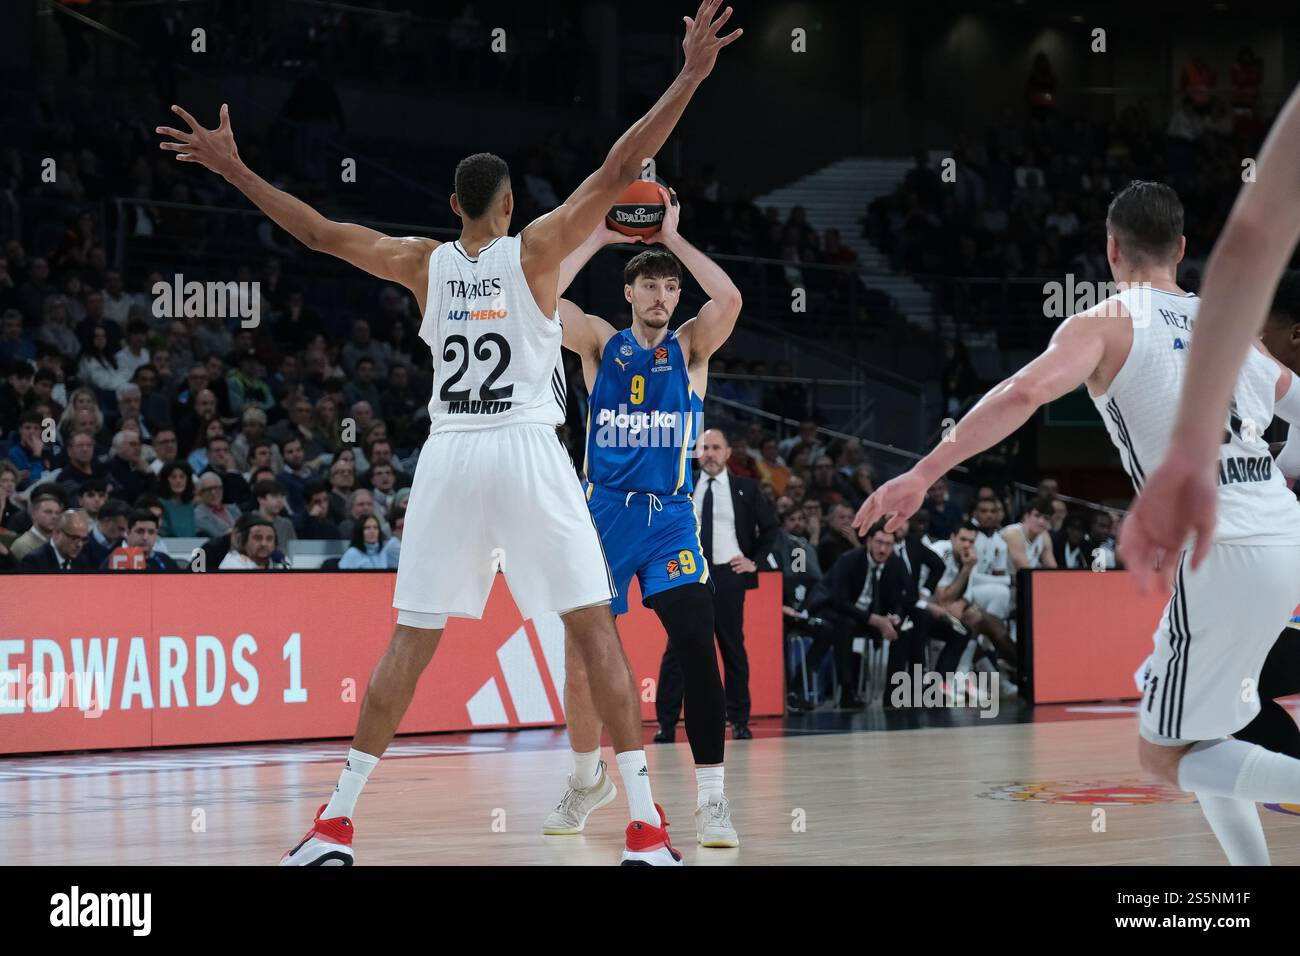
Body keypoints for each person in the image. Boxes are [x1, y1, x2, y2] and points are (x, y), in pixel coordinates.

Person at [160, 0, 740, 866]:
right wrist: (688, 75)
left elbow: (316, 232)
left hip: (449, 456)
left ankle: (335, 823)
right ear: (508, 205)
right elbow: (621, 164)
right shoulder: (538, 250)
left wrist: (236, 170)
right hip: (527, 453)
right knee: (593, 632)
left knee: (412, 639)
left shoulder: (419, 262)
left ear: (456, 206)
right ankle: (649, 831)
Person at [857, 176, 1300, 868]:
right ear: (1182, 248)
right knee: (1210, 728)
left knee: (1164, 753)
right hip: (1281, 535)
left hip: (1220, 550)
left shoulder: (1105, 323)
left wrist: (923, 472)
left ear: (1111, 250)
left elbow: (1024, 391)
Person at [540, 191, 743, 847]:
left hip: (671, 522)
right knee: (580, 663)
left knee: (696, 646)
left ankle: (711, 802)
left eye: (669, 286)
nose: (662, 295)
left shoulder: (691, 349)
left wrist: (676, 239)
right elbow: (539, 299)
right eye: (650, 284)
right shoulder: (601, 344)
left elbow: (731, 301)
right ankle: (584, 779)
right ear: (629, 292)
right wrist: (597, 237)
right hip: (601, 517)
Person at [662, 427, 777, 739]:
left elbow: (771, 531)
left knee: (731, 647)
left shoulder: (747, 489)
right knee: (678, 647)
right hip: (690, 576)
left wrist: (755, 561)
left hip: (728, 575)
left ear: (728, 453)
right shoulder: (681, 487)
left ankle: (739, 720)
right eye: (704, 448)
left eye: (716, 447)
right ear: (695, 454)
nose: (709, 453)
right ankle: (666, 723)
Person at [101, 509, 178, 571]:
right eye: (140, 531)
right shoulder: (114, 561)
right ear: (128, 533)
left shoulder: (166, 561)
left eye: (151, 532)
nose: (145, 537)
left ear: (156, 535)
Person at [19, 508, 90, 571]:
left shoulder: (82, 561)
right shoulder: (34, 561)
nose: (79, 544)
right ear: (57, 533)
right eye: (74, 538)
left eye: (84, 539)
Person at [1002, 496, 1058, 571]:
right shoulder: (1013, 534)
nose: (1041, 521)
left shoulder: (1044, 536)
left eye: (1046, 518)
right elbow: (1024, 571)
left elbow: (1053, 570)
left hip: (1021, 580)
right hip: (996, 580)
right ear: (1026, 516)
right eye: (1037, 516)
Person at [217, 512, 284, 570]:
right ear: (244, 541)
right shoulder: (232, 564)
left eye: (269, 539)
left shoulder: (281, 563)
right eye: (258, 538)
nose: (264, 543)